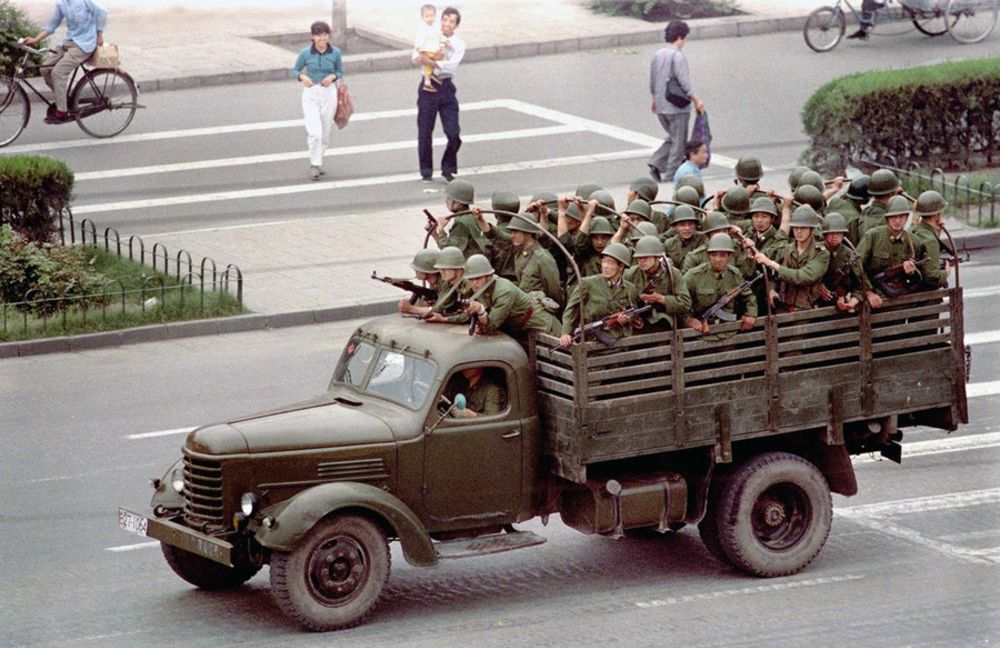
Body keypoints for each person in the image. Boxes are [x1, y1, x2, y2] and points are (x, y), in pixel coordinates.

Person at [25, 0, 108, 125]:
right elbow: (51, 26)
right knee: (45, 69)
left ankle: (62, 111)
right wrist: (35, 39)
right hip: (69, 42)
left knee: (58, 72)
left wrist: (99, 33)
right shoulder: (61, 3)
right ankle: (65, 99)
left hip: (84, 44)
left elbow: (102, 11)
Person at [413, 6, 465, 182]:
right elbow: (416, 58)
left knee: (454, 132)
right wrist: (426, 58)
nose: (447, 24)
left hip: (446, 87)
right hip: (428, 86)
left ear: (456, 25)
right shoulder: (429, 34)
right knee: (425, 131)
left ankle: (447, 167)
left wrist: (431, 60)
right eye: (445, 20)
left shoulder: (458, 44)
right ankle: (426, 170)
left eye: (452, 21)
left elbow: (450, 66)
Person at [648, 20, 704, 183]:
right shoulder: (678, 56)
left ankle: (656, 162)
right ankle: (670, 177)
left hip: (661, 106)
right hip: (676, 107)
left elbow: (653, 80)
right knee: (678, 144)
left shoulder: (658, 54)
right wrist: (696, 100)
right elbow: (684, 82)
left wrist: (654, 98)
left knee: (673, 137)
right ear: (680, 36)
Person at [462, 255, 560, 341]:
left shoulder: (504, 291)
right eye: (471, 279)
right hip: (522, 330)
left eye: (478, 278)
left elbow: (490, 326)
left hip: (544, 327)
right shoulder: (480, 288)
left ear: (488, 276)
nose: (474, 283)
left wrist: (480, 310)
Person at [559, 243, 640, 347]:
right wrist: (565, 333)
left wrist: (627, 319)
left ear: (621, 266)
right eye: (604, 261)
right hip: (592, 344)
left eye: (610, 263)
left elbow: (635, 314)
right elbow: (571, 310)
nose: (605, 266)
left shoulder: (630, 289)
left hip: (621, 345)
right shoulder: (588, 283)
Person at [856, 195, 929, 308]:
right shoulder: (873, 236)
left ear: (907, 217)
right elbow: (857, 265)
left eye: (901, 216)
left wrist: (912, 273)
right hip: (875, 299)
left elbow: (920, 277)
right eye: (893, 217)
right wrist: (869, 292)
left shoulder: (914, 242)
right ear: (887, 218)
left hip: (902, 299)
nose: (897, 220)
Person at [753, 206, 830, 312]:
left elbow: (802, 277)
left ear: (811, 229)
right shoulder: (786, 249)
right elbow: (774, 277)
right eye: (795, 227)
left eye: (803, 228)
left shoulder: (821, 253)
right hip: (782, 308)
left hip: (808, 310)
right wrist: (772, 290)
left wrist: (771, 263)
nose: (799, 231)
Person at [292, 21, 343, 180]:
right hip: (311, 93)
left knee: (325, 133)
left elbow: (340, 72)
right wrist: (303, 77)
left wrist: (332, 77)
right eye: (319, 35)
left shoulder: (335, 53)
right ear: (313, 37)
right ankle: (314, 165)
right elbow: (295, 70)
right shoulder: (305, 53)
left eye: (325, 35)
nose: (322, 38)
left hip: (329, 93)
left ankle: (318, 160)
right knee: (315, 132)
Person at [683, 233, 757, 335]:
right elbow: (681, 301)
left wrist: (751, 314)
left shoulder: (734, 274)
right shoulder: (693, 276)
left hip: (728, 332)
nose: (718, 259)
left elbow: (748, 296)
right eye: (714, 255)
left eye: (722, 255)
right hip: (700, 333)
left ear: (728, 256)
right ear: (708, 255)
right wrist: (688, 320)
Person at [626, 235, 691, 331]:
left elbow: (686, 303)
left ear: (657, 257)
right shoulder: (631, 274)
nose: (641, 261)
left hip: (663, 322)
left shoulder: (672, 274)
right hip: (637, 319)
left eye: (645, 258)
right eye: (639, 258)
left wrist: (661, 299)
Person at [508, 212, 564, 310]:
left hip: (540, 310)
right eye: (511, 232)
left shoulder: (543, 258)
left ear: (528, 233)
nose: (512, 236)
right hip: (525, 307)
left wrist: (556, 311)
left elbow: (554, 290)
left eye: (516, 232)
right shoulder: (519, 254)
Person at [817, 213, 865, 313]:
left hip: (840, 303)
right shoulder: (815, 250)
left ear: (843, 235)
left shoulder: (850, 256)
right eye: (830, 233)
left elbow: (860, 287)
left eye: (838, 233)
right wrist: (817, 286)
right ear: (824, 235)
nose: (834, 236)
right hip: (815, 302)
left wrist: (851, 302)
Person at [909, 190, 952, 291]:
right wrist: (945, 273)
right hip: (925, 293)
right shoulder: (930, 240)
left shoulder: (915, 229)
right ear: (937, 214)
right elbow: (932, 277)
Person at [423, 246, 470, 324]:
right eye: (440, 269)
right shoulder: (454, 283)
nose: (441, 272)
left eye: (445, 269)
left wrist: (444, 319)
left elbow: (470, 314)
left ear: (458, 270)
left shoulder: (469, 284)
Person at [397, 248, 443, 317]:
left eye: (418, 269)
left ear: (427, 271)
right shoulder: (436, 282)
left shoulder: (444, 283)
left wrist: (411, 309)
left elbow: (442, 309)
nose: (416, 271)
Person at [414, 4, 444, 93]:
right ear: (422, 17)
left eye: (432, 16)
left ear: (435, 16)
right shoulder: (422, 29)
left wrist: (441, 45)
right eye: (427, 16)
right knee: (427, 64)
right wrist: (419, 47)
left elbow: (441, 37)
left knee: (440, 59)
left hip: (435, 49)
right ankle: (427, 80)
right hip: (427, 49)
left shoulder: (437, 28)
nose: (430, 18)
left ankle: (433, 75)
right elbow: (420, 39)